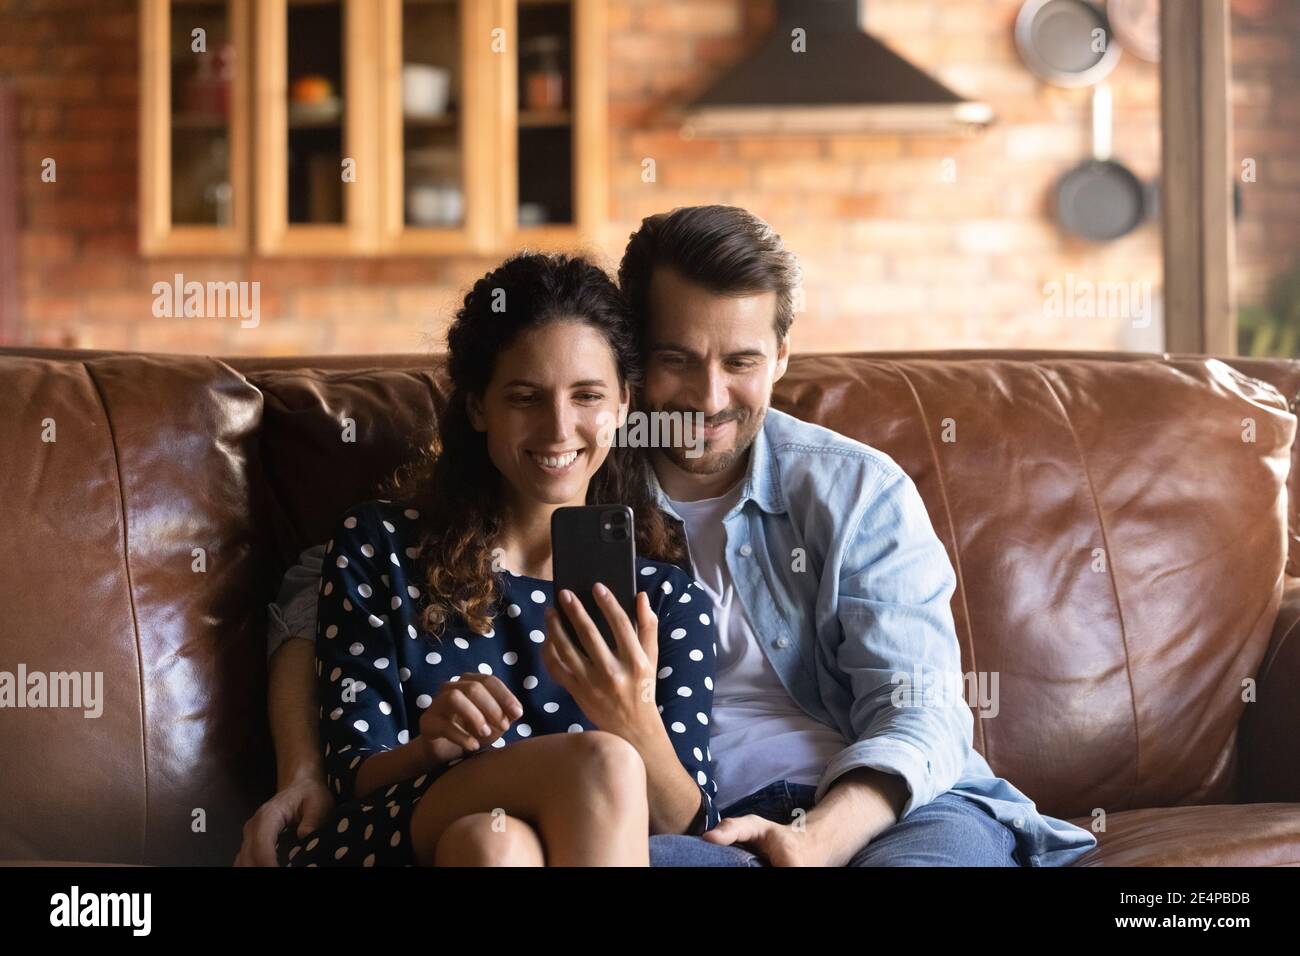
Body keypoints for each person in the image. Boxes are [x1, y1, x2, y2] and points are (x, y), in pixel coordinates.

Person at [241, 205, 1098, 868]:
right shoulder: (578, 468)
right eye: (678, 359)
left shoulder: (855, 492)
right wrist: (304, 770)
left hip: (883, 810)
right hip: (702, 828)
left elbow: (923, 713)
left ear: (783, 356)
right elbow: (321, 589)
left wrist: (817, 841)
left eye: (742, 361)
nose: (709, 399)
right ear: (635, 364)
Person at [271, 252, 719, 866]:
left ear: (623, 405)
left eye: (587, 396)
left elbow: (689, 825)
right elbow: (354, 777)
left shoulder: (665, 599)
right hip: (393, 833)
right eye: (526, 397)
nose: (559, 428)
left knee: (495, 843)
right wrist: (431, 747)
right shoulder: (381, 545)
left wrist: (632, 713)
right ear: (479, 406)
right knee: (603, 760)